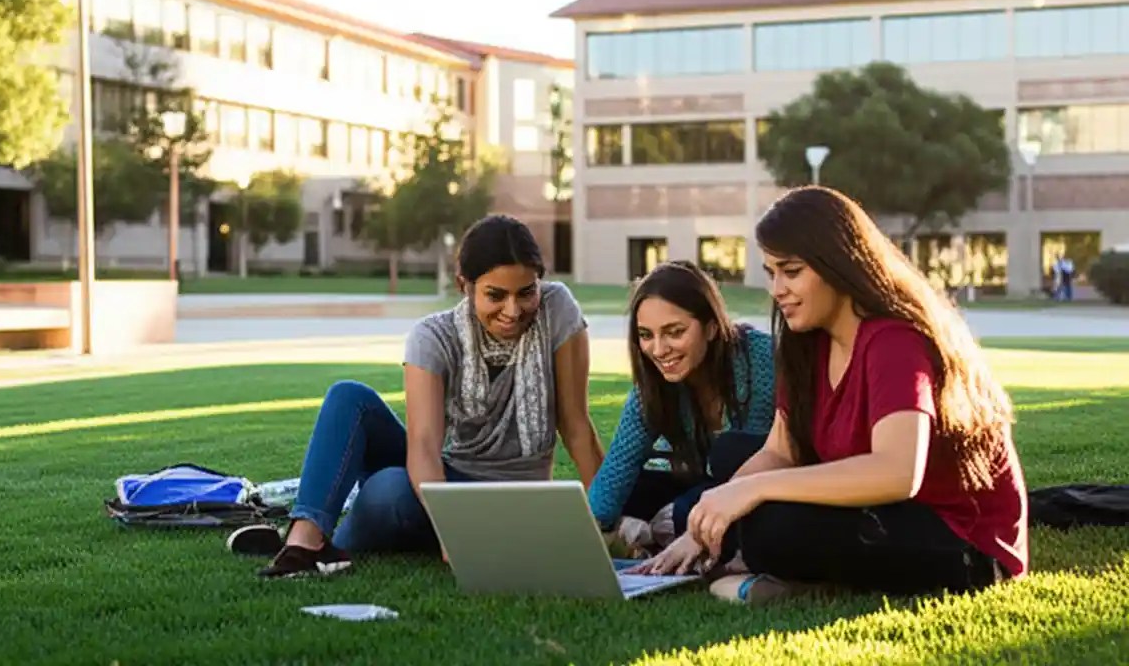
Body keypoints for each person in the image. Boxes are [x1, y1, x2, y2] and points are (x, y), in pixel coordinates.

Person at [688, 186, 1028, 604]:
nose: (776, 289)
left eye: (791, 271)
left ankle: (799, 586)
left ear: (837, 263)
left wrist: (753, 492)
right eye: (770, 271)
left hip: (958, 539)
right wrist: (703, 527)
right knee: (730, 456)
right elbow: (779, 451)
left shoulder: (895, 340)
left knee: (770, 525)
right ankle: (788, 573)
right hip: (883, 512)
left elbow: (898, 473)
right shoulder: (808, 342)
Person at [228, 214, 604, 578]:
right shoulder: (434, 336)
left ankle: (324, 537)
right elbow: (423, 445)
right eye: (495, 295)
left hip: (515, 498)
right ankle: (304, 543)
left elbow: (575, 426)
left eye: (526, 292)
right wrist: (450, 524)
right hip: (446, 483)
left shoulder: (557, 309)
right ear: (465, 286)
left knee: (388, 491)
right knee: (351, 402)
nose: (513, 310)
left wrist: (612, 515)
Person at [585, 260, 776, 575]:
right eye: (646, 335)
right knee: (629, 491)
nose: (659, 349)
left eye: (675, 332)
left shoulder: (761, 359)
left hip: (756, 482)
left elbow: (748, 468)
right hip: (697, 479)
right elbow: (620, 463)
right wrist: (588, 530)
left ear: (712, 327)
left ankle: (661, 532)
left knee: (691, 503)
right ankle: (652, 531)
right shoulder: (653, 385)